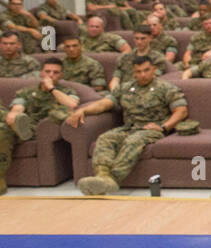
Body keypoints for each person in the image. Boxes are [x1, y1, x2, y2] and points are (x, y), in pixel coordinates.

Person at [68, 54, 189, 195]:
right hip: (129, 128)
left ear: (154, 69)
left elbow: (181, 111)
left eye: (146, 70)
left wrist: (163, 127)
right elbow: (104, 104)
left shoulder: (166, 88)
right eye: (138, 71)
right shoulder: (125, 88)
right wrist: (83, 110)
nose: (143, 75)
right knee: (106, 138)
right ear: (133, 72)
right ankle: (102, 176)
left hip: (153, 129)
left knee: (133, 141)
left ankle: (113, 178)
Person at [0, 57, 80, 195]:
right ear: (41, 73)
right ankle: (16, 125)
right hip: (22, 121)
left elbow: (72, 104)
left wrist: (51, 88)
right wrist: (13, 115)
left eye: (55, 72)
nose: (51, 75)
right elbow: (18, 104)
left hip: (38, 127)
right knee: (4, 125)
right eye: (48, 71)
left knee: (62, 112)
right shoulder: (27, 91)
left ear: (61, 75)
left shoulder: (67, 91)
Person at [108, 26, 169, 91]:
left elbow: (151, 80)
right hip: (122, 91)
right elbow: (115, 79)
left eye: (143, 39)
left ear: (150, 38)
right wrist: (115, 92)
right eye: (136, 38)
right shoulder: (124, 58)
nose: (139, 42)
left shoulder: (157, 58)